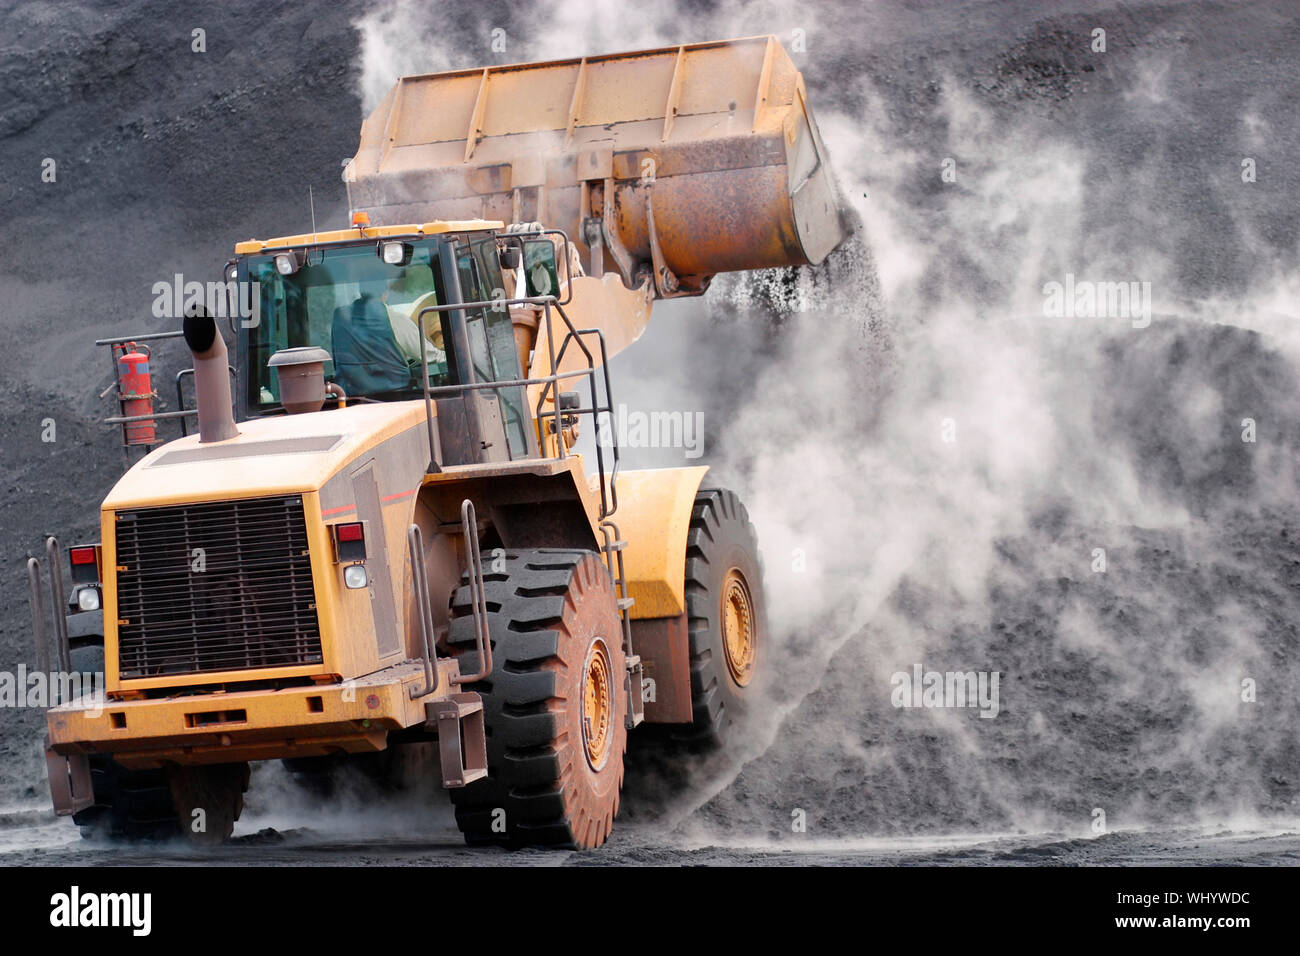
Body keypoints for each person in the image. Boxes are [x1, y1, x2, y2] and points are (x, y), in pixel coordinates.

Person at [330, 293, 410, 395]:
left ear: (360, 292)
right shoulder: (394, 317)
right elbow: (423, 352)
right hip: (397, 396)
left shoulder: (341, 316)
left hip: (349, 398)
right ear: (385, 293)